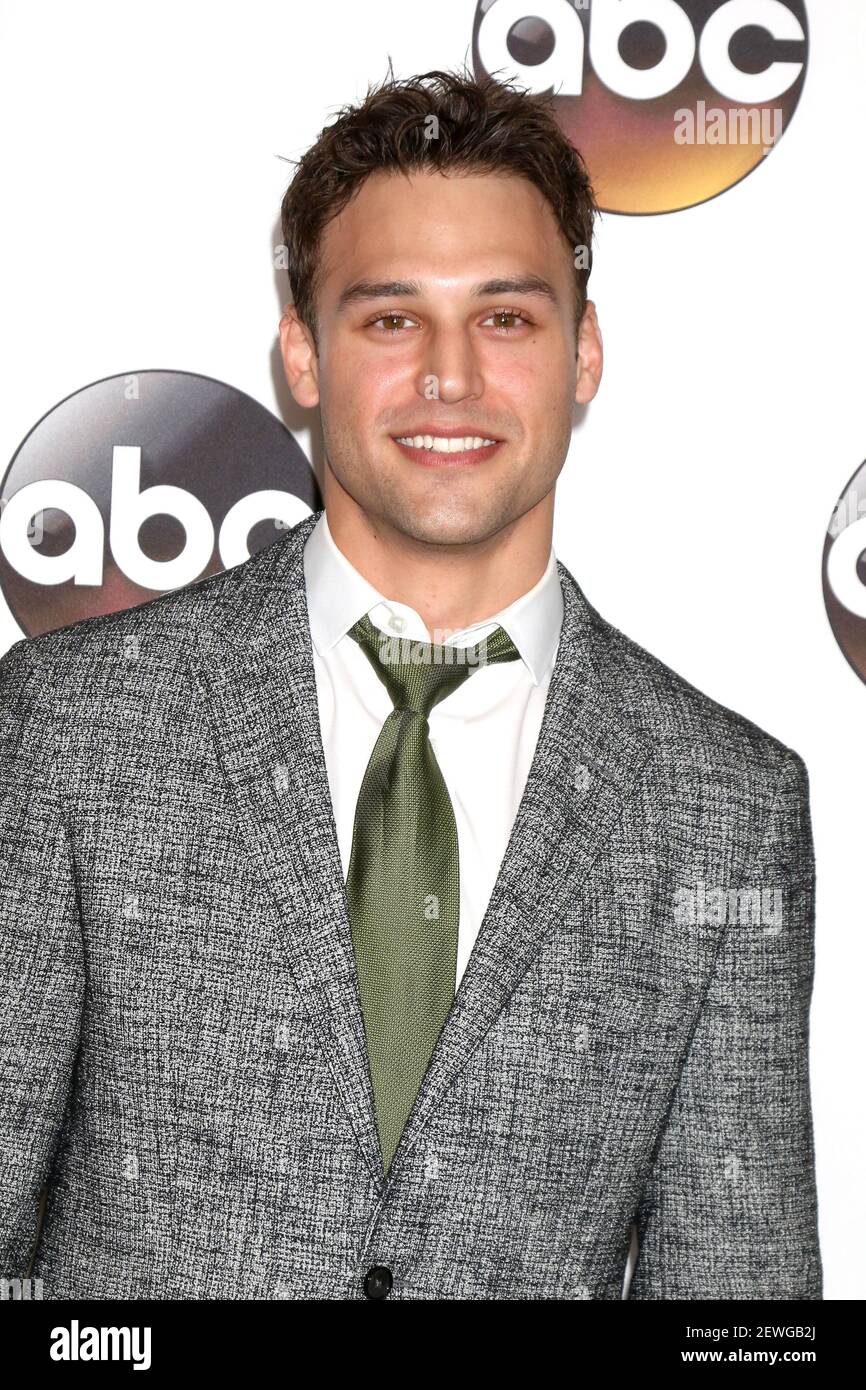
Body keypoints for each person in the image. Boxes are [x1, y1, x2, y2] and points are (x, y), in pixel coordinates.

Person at [0, 69, 821, 1300]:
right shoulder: (74, 728)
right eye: (390, 319)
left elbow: (738, 1306)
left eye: (505, 317)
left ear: (581, 352)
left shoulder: (724, 805)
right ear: (303, 354)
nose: (450, 376)